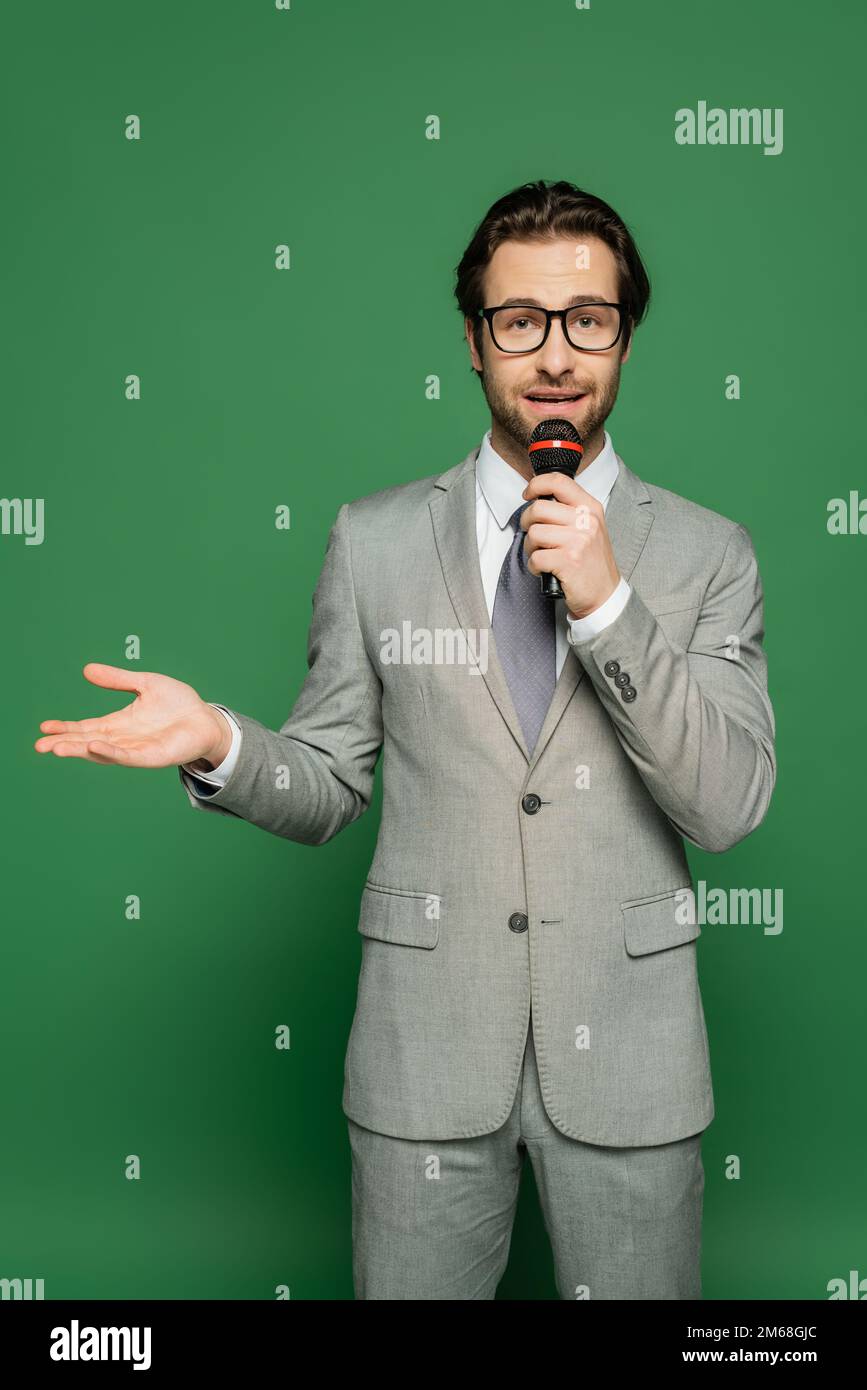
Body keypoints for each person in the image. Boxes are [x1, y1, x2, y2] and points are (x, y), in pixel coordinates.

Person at [35, 179, 776, 1300]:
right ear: (474, 342)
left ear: (627, 336)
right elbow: (329, 782)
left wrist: (610, 604)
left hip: (631, 1065)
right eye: (519, 320)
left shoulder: (711, 556)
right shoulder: (373, 542)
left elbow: (728, 804)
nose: (557, 355)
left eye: (590, 319)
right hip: (423, 1060)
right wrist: (220, 743)